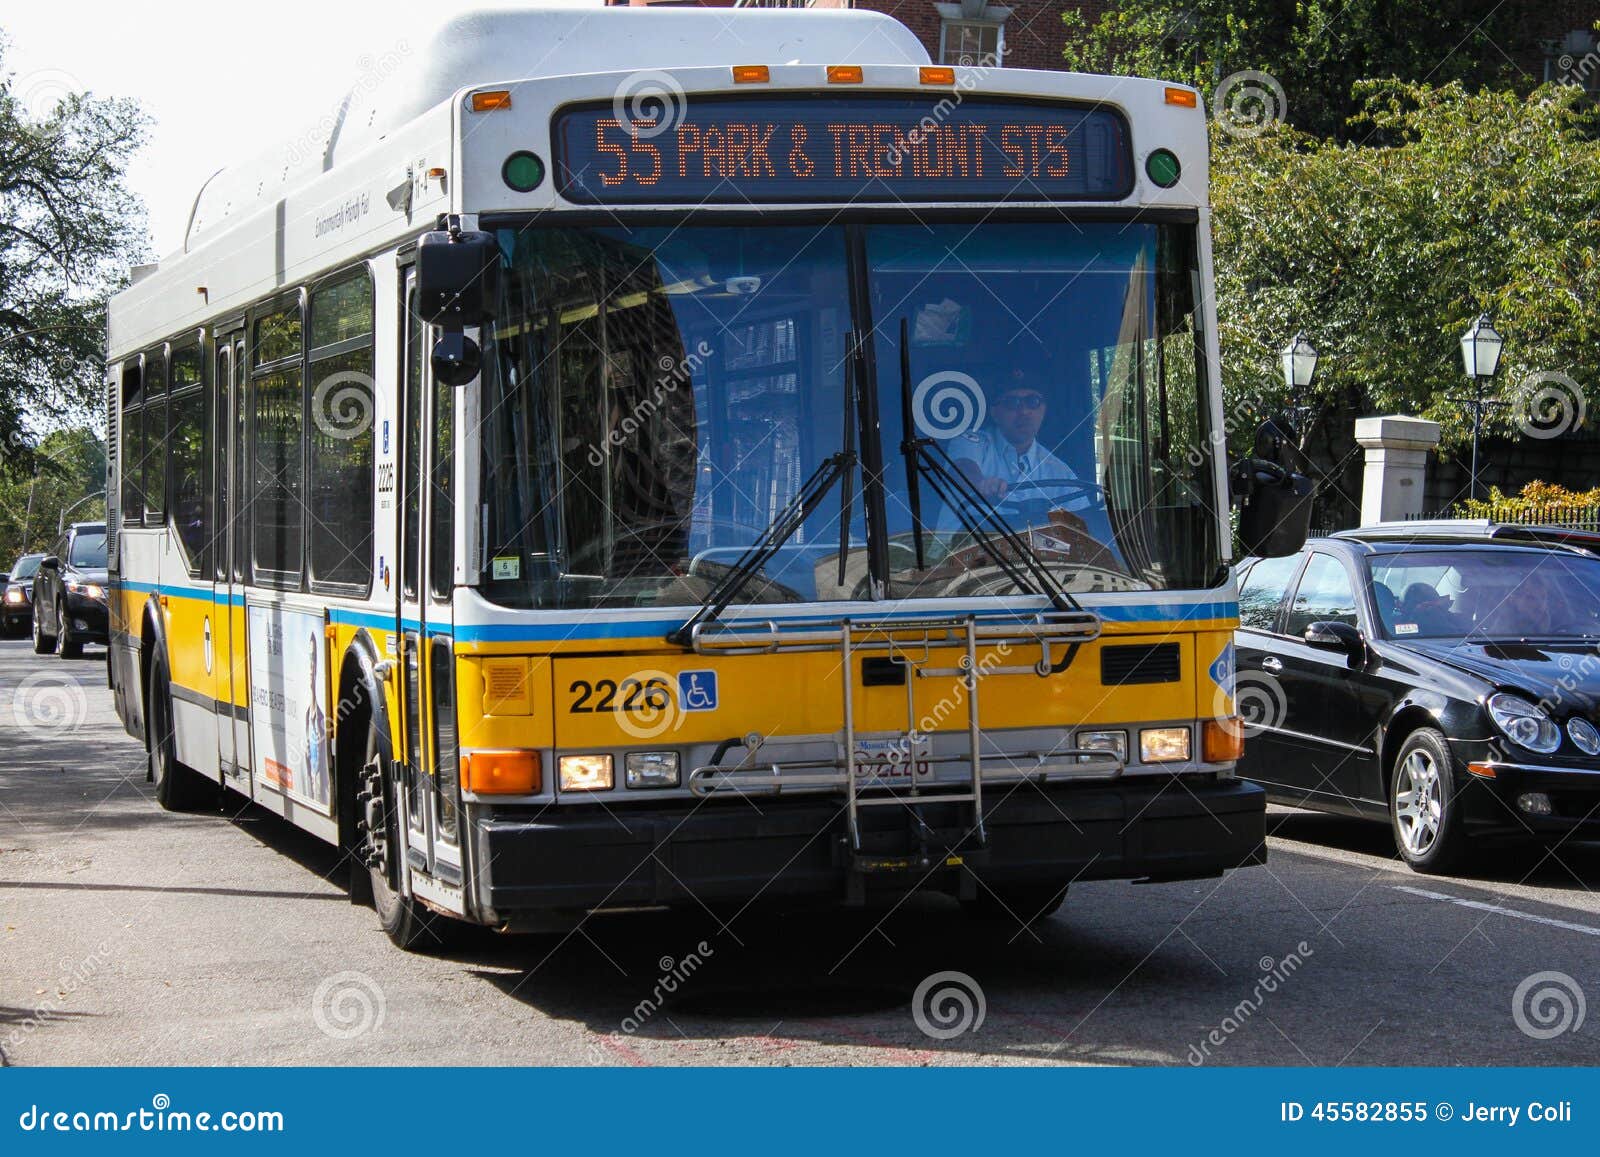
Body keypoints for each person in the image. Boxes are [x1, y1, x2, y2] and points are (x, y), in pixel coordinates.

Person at [950, 372, 1091, 516]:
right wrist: (980, 484)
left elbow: (1084, 526)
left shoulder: (1060, 473)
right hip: (960, 538)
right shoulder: (970, 442)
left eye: (1033, 402)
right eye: (1012, 403)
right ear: (995, 412)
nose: (1024, 411)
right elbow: (962, 468)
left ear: (1044, 409)